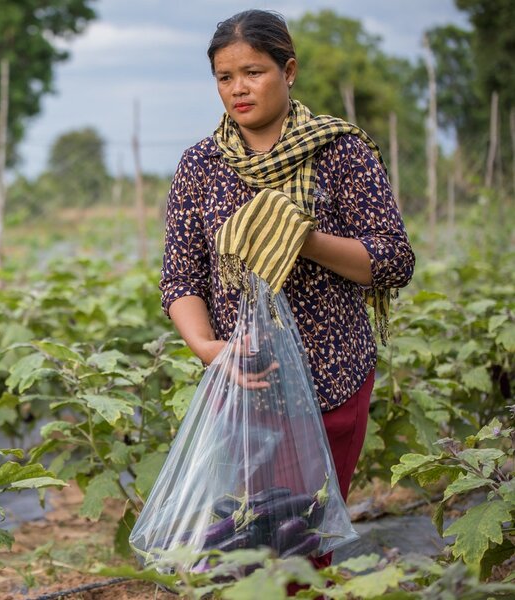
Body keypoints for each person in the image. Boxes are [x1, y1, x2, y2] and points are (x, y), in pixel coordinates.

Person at [159, 9, 415, 570]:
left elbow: (394, 260)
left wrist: (302, 238)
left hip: (331, 380)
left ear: (289, 70)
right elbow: (181, 278)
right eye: (225, 77)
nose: (239, 88)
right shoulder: (201, 166)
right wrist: (207, 347)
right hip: (244, 384)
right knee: (242, 544)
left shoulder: (340, 152)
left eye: (253, 72)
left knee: (302, 544)